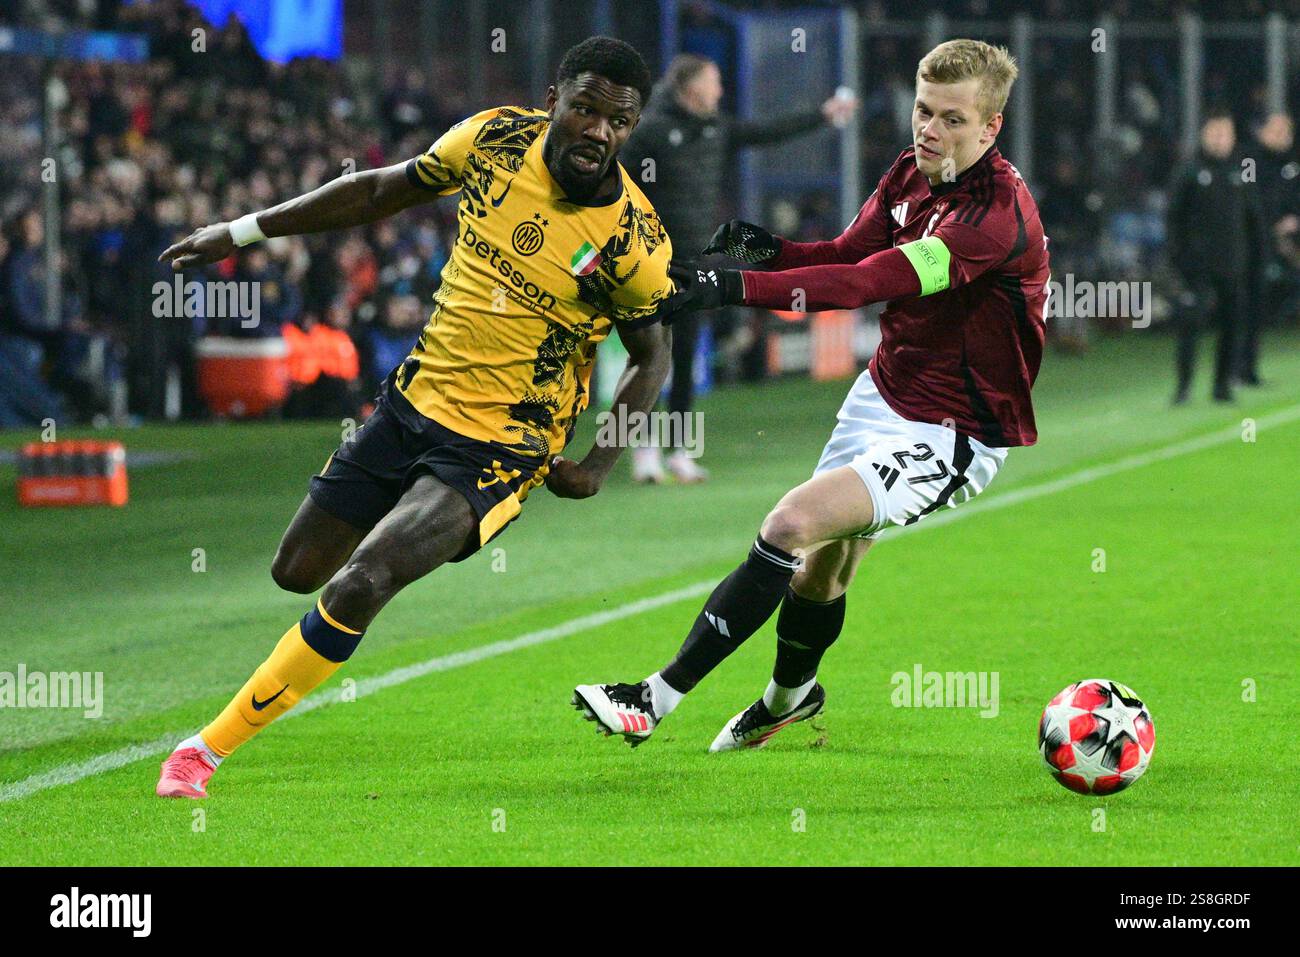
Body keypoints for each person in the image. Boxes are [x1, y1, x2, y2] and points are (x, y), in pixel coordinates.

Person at [153, 37, 674, 797]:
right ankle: (335, 616)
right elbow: (375, 191)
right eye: (586, 108)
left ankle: (201, 752)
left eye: (618, 122)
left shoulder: (634, 241)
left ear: (631, 129)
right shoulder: (495, 139)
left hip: (504, 445)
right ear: (554, 97)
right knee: (296, 571)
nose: (598, 131)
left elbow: (652, 356)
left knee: (362, 582)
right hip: (412, 403)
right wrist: (241, 232)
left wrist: (599, 463)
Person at [572, 39, 1050, 751]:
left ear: (990, 129)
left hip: (953, 432)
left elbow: (867, 284)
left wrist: (723, 288)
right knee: (825, 567)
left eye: (953, 119)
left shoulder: (992, 217)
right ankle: (788, 699)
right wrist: (760, 251)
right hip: (883, 393)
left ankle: (654, 696)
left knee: (791, 523)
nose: (929, 130)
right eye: (924, 111)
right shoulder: (908, 173)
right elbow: (847, 253)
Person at [620, 53, 857, 484]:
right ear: (691, 87)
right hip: (647, 258)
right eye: (714, 82)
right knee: (650, 353)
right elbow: (616, 180)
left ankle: (679, 453)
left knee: (686, 355)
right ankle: (644, 451)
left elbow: (766, 132)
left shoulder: (717, 128)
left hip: (694, 261)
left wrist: (823, 115)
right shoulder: (651, 130)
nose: (721, 90)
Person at [1167, 109, 1264, 404]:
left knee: (1231, 324)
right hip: (1196, 266)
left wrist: (1257, 257)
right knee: (1190, 324)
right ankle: (1183, 387)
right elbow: (1174, 219)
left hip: (1232, 264)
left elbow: (1253, 220)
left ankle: (1222, 386)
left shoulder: (1241, 172)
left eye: (1226, 134)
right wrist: (1178, 258)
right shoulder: (1190, 171)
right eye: (1216, 133)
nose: (1221, 140)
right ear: (1204, 135)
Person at [1244, 111, 1300, 385]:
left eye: (1286, 131)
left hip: (1280, 245)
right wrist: (1271, 226)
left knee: (1257, 308)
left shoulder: (1291, 164)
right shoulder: (1249, 161)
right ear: (1262, 131)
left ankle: (1248, 370)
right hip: (1248, 244)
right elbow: (1245, 201)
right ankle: (1234, 369)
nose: (1282, 136)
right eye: (1276, 130)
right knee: (1242, 307)